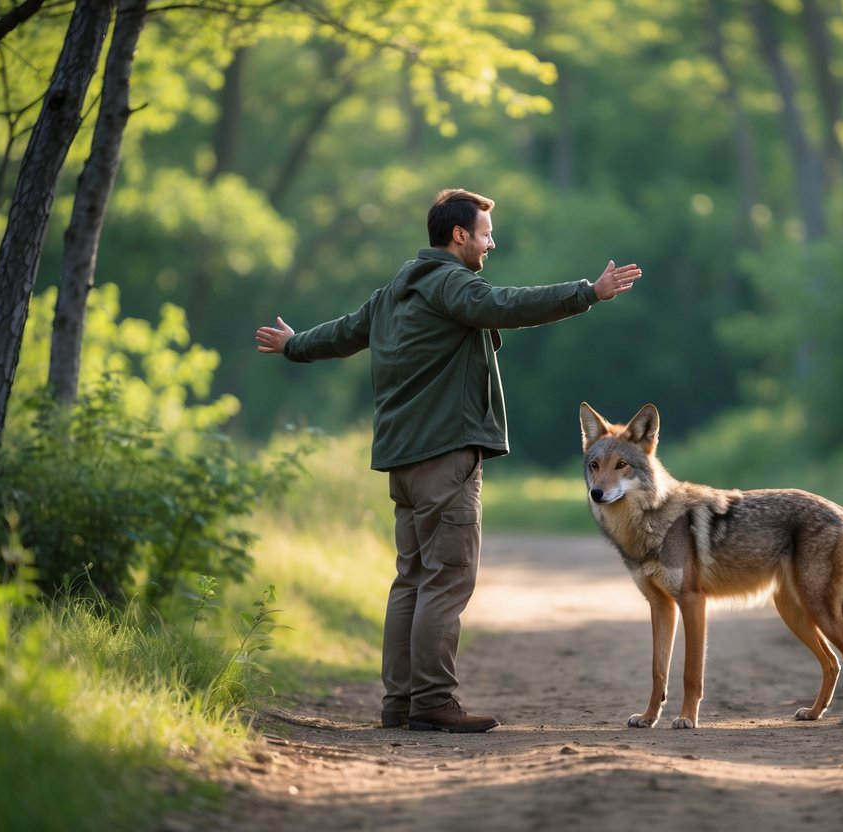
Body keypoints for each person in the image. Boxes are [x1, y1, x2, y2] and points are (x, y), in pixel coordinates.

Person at [255, 188, 642, 733]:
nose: (492, 242)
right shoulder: (451, 283)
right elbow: (506, 306)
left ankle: (401, 702)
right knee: (446, 577)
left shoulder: (394, 290)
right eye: (485, 233)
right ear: (458, 235)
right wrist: (589, 292)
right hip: (444, 455)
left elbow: (343, 333)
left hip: (402, 457)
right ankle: (433, 701)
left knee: (411, 578)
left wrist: (295, 345)